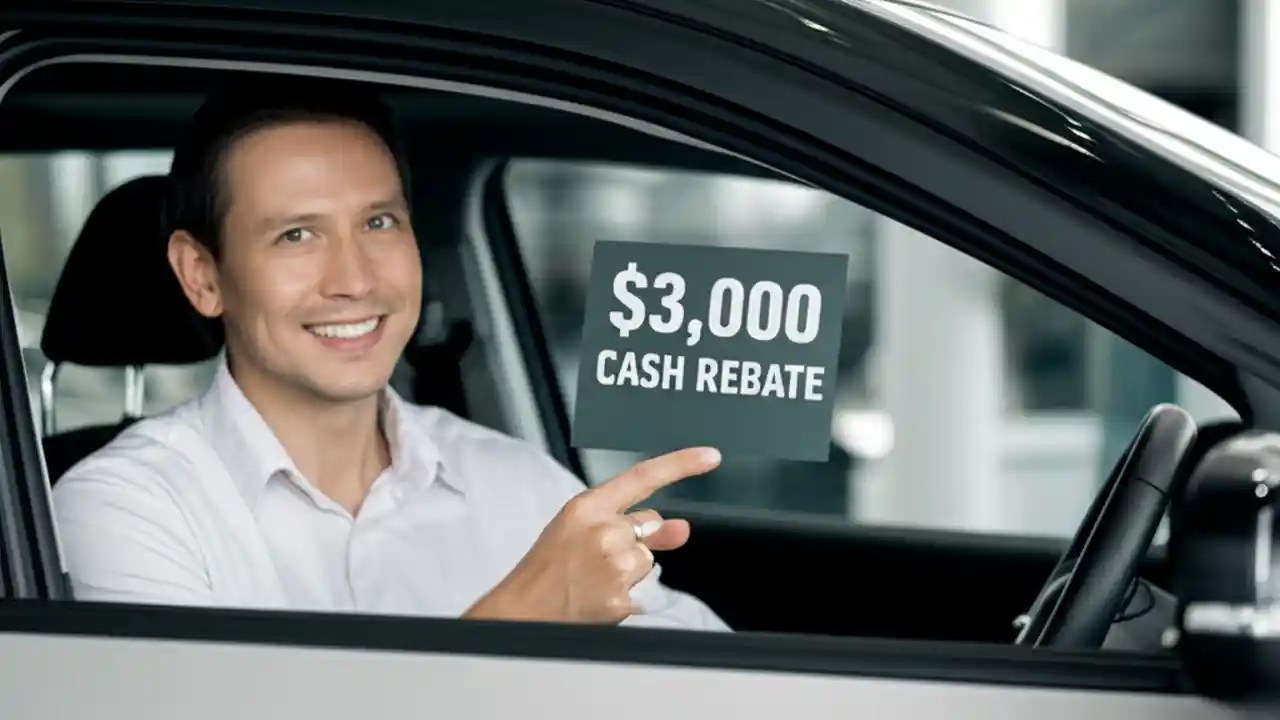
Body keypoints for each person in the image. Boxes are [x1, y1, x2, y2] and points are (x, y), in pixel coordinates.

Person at [50, 77, 729, 631]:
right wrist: (522, 616)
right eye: (296, 235)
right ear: (202, 276)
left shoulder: (521, 484)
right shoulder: (124, 507)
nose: (355, 280)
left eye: (379, 222)